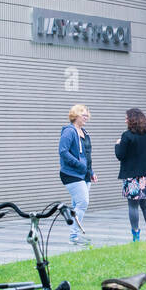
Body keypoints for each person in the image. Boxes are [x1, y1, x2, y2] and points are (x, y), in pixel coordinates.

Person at [115, 107, 146, 241]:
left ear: (133, 120)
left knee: (133, 206)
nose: (125, 120)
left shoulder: (127, 136)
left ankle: (136, 235)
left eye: (127, 118)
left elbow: (120, 155)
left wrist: (117, 145)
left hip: (132, 176)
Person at [59, 104, 96, 245]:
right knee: (82, 202)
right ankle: (74, 236)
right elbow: (63, 152)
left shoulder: (84, 132)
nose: (86, 117)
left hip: (84, 174)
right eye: (83, 115)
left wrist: (90, 171)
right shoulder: (69, 131)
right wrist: (80, 165)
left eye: (87, 115)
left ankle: (74, 235)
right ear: (75, 115)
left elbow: (87, 155)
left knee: (77, 205)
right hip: (71, 173)